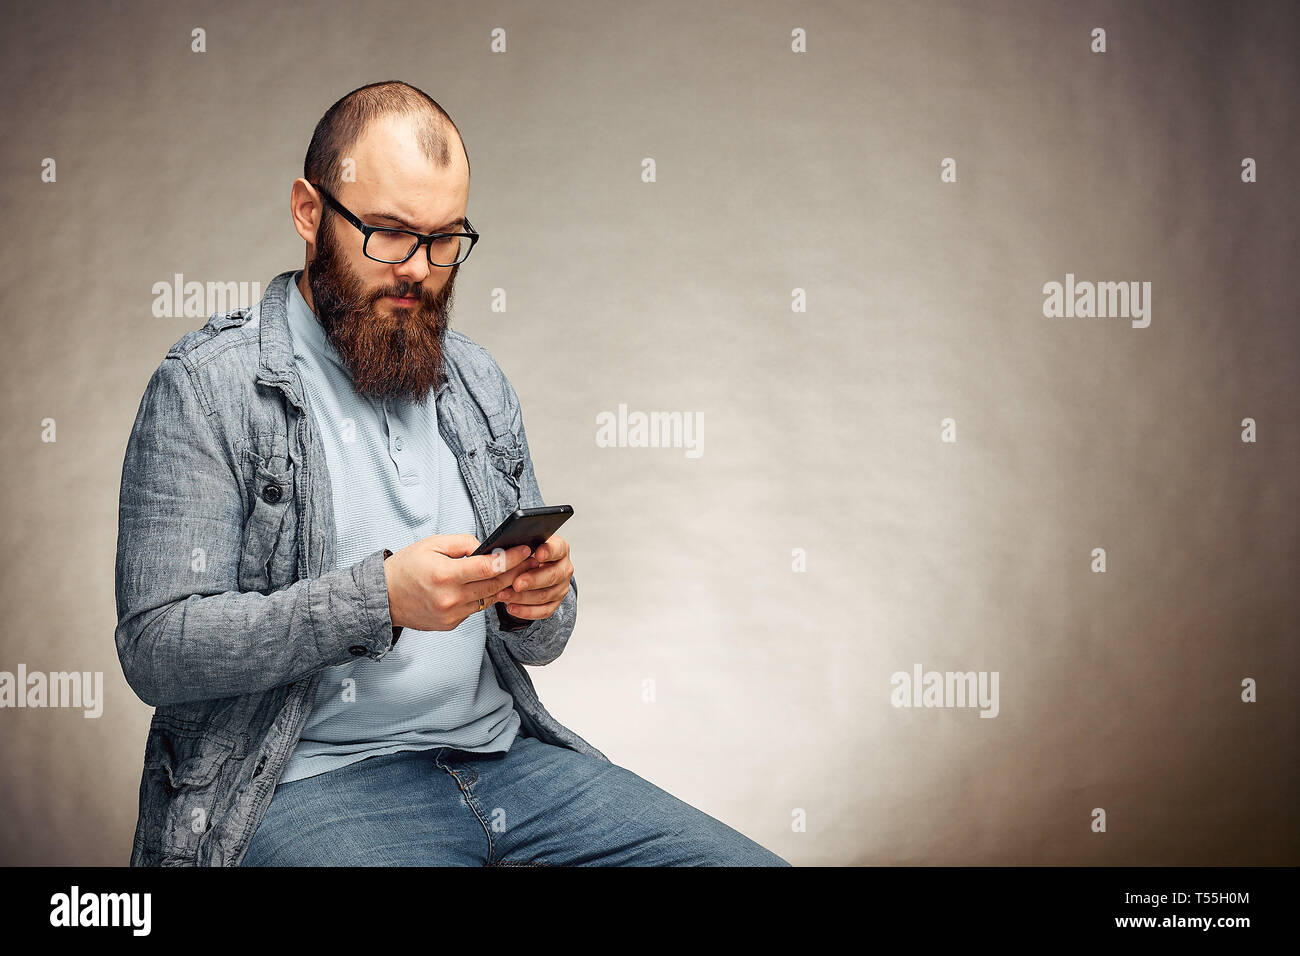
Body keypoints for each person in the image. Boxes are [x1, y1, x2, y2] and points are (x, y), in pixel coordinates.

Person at [115, 80, 789, 866]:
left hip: (504, 763)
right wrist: (376, 601)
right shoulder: (207, 387)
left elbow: (546, 640)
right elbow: (157, 648)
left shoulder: (475, 381)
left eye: (445, 241)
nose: (419, 272)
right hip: (308, 788)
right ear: (308, 212)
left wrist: (539, 601)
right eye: (391, 234)